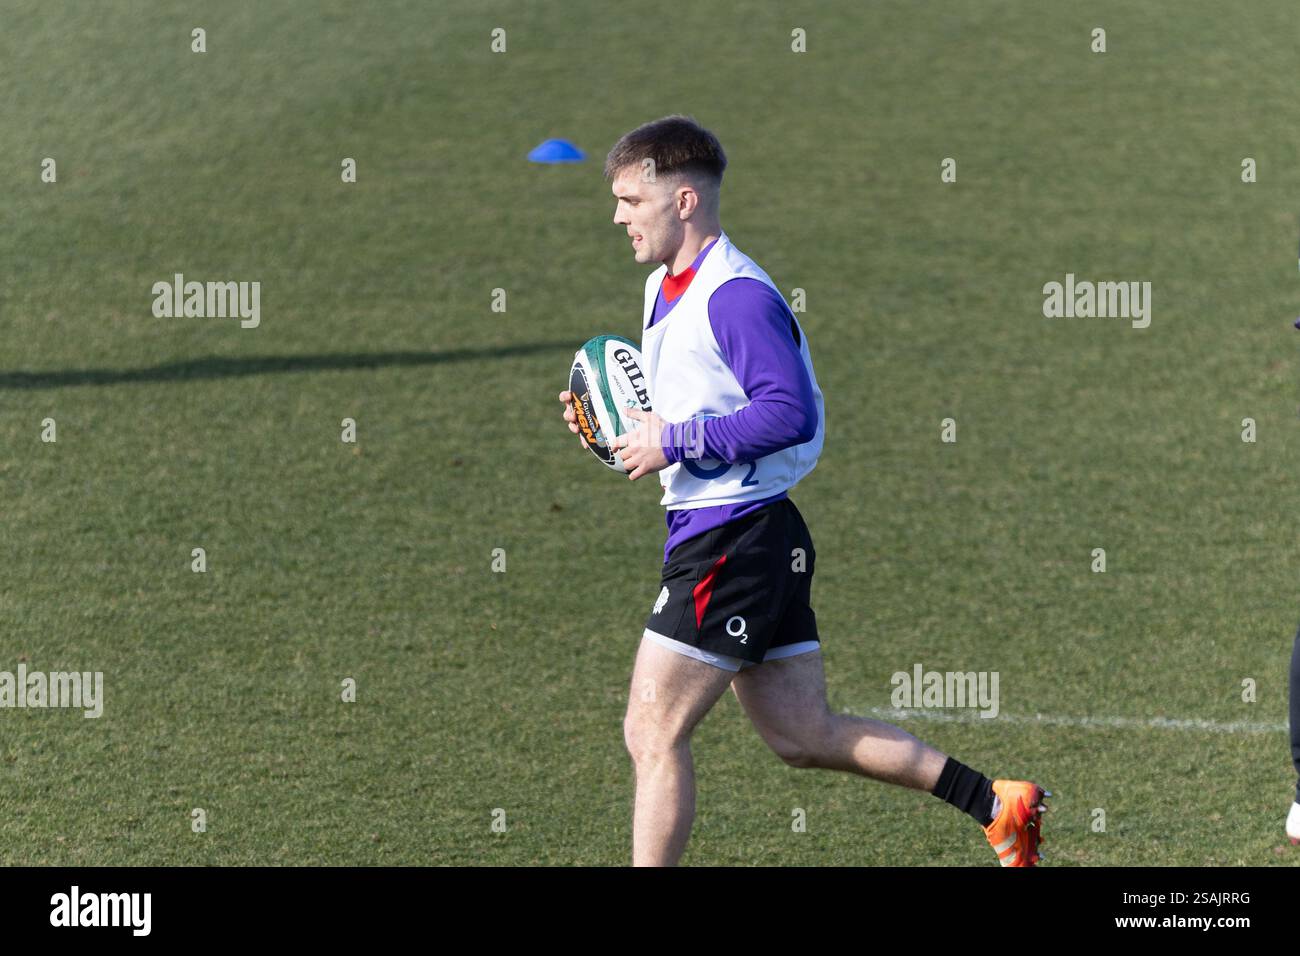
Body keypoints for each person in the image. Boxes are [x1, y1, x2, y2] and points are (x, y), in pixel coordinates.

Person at [558, 115, 1047, 866]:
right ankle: (994, 804)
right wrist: (611, 423)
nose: (617, 216)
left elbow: (788, 413)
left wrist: (674, 442)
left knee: (652, 731)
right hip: (749, 532)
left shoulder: (734, 296)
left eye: (630, 199)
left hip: (733, 537)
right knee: (801, 734)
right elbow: (694, 399)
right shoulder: (664, 285)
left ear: (683, 200)